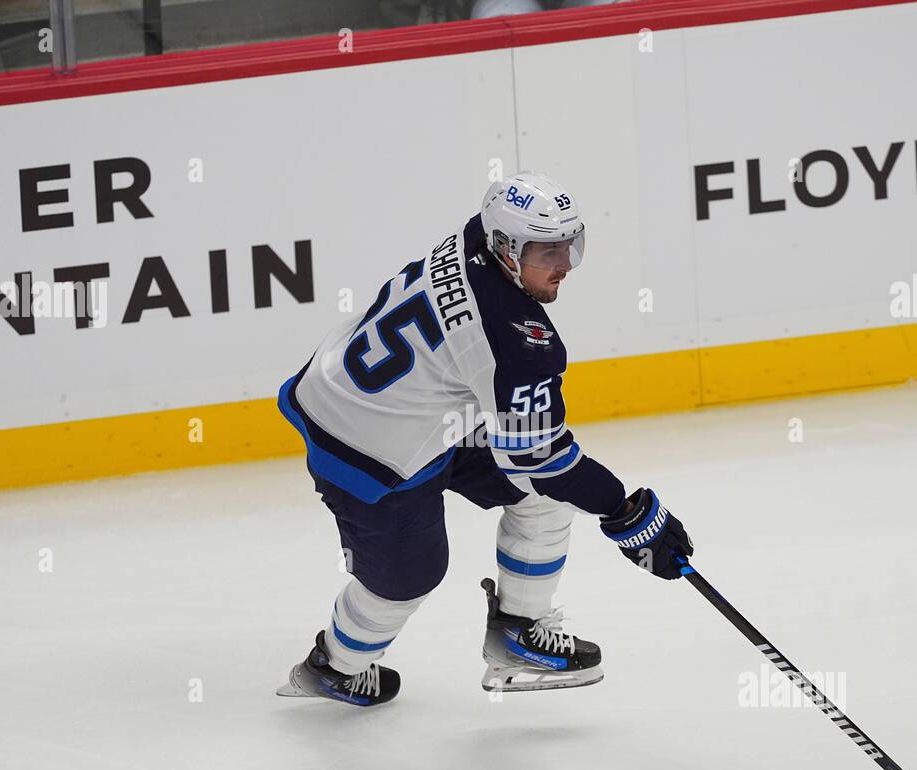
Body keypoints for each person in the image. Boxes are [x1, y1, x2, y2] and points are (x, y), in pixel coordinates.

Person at [275, 171, 693, 706]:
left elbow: (539, 460)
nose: (564, 264)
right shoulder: (517, 339)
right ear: (506, 249)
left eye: (569, 245)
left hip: (404, 406)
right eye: (547, 251)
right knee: (407, 580)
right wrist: (628, 514)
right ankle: (334, 668)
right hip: (362, 448)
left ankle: (517, 633)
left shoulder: (479, 235)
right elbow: (547, 459)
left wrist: (614, 507)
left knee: (544, 498)